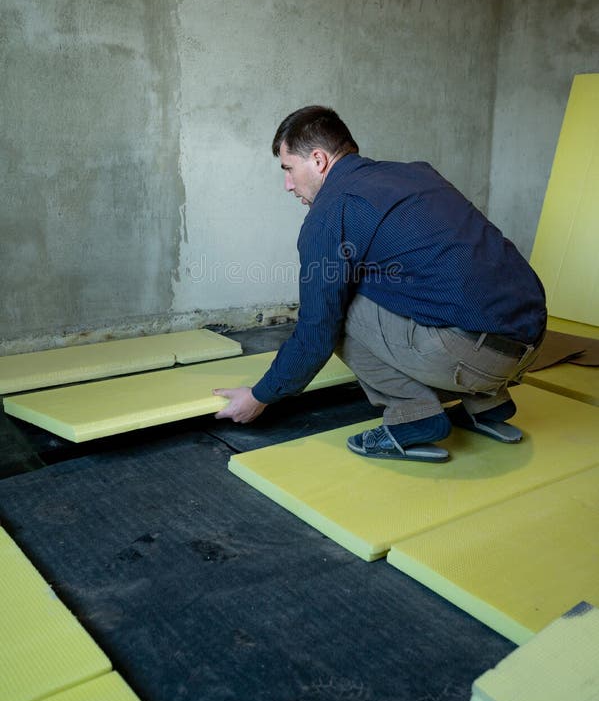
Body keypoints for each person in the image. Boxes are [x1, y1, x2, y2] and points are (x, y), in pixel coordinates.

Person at [213, 106, 547, 463]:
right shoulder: (416, 174)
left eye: (288, 169)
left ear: (319, 159)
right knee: (426, 284)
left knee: (335, 306)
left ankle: (415, 418)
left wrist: (260, 396)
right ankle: (488, 405)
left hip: (472, 357)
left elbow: (316, 333)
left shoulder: (329, 215)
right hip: (532, 341)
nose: (288, 185)